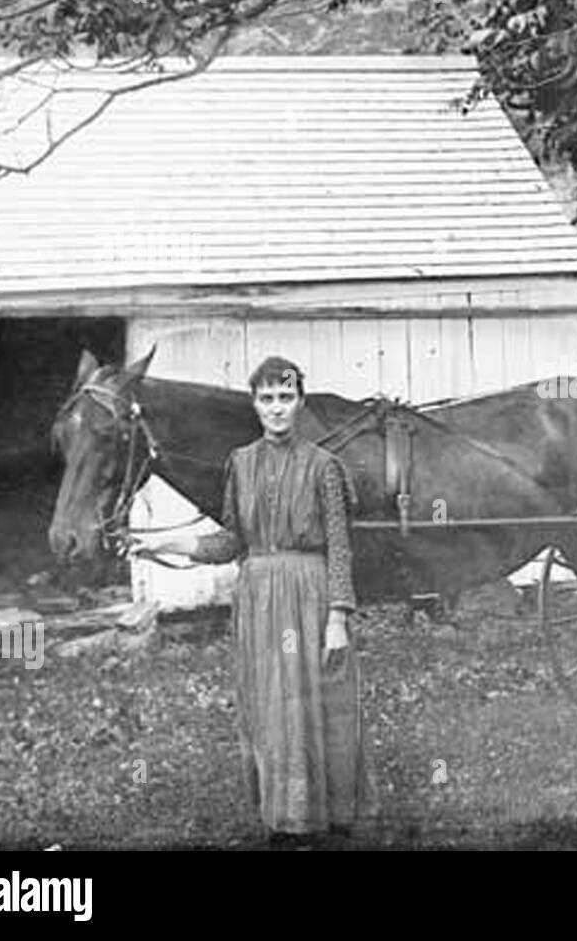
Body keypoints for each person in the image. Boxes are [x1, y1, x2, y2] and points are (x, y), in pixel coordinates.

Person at [131, 356, 363, 847]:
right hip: (259, 599)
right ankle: (285, 815)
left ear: (300, 402)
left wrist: (338, 616)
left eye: (286, 398)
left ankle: (332, 812)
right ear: (254, 404)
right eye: (267, 399)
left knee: (321, 703)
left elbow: (340, 547)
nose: (277, 409)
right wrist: (162, 546)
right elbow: (231, 542)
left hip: (311, 593)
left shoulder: (325, 468)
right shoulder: (240, 463)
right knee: (271, 704)